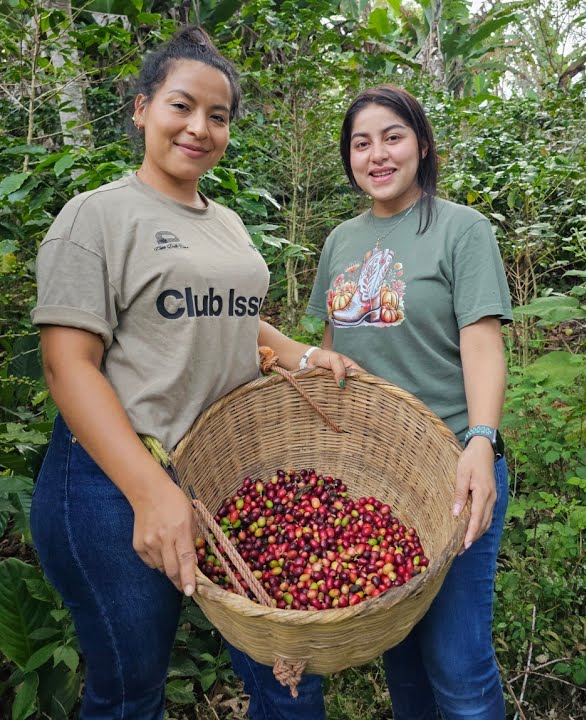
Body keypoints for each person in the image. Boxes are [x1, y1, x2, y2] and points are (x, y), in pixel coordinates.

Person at [29, 26, 360, 720]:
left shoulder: (229, 224)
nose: (200, 128)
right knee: (131, 689)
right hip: (111, 483)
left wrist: (304, 355)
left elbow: (235, 318)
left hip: (222, 474)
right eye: (182, 106)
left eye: (219, 115)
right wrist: (151, 493)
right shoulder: (97, 216)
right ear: (142, 108)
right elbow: (68, 365)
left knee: (290, 682)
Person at [227, 84, 513, 720]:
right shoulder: (340, 242)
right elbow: (331, 352)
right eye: (362, 143)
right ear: (348, 157)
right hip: (371, 473)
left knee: (458, 662)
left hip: (452, 462)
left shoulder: (461, 230)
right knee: (402, 655)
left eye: (393, 137)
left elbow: (483, 347)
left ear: (422, 144)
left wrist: (483, 440)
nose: (377, 154)